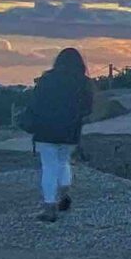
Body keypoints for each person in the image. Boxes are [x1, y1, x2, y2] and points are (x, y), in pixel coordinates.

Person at [25, 47, 94, 222]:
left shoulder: (46, 79)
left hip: (46, 129)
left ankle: (50, 208)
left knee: (49, 166)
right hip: (70, 130)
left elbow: (34, 104)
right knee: (63, 162)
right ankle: (64, 197)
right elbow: (87, 108)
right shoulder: (83, 82)